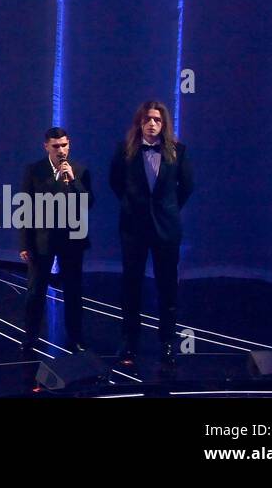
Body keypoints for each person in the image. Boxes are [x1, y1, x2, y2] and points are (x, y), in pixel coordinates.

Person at [109, 100, 193, 369]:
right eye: (148, 119)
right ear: (140, 123)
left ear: (164, 124)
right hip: (134, 229)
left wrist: (166, 209)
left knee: (167, 287)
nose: (152, 124)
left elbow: (187, 187)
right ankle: (129, 341)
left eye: (157, 120)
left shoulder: (178, 151)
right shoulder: (125, 151)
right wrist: (135, 206)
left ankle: (167, 341)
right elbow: (116, 182)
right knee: (131, 286)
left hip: (166, 230)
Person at [18, 127, 90, 357]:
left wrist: (74, 181)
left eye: (65, 145)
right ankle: (30, 337)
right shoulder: (35, 170)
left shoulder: (79, 170)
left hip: (72, 239)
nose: (61, 150)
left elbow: (89, 203)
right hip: (42, 240)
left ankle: (76, 339)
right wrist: (24, 243)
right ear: (46, 146)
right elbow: (25, 208)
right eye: (56, 146)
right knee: (35, 291)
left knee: (73, 292)